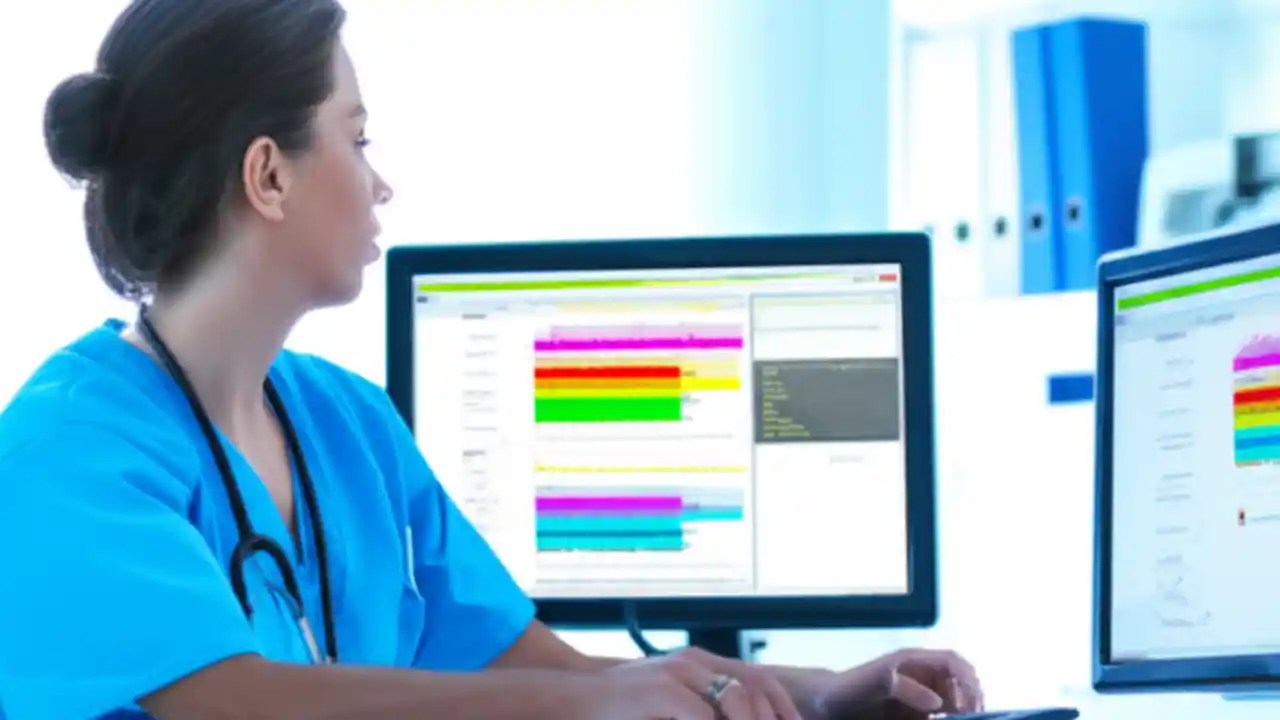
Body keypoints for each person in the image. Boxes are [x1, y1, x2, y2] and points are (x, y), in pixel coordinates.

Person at [0, 1, 986, 718]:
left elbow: (549, 672)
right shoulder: (66, 449)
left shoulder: (348, 428)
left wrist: (820, 696)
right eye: (356, 137)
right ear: (267, 175)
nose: (380, 183)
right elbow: (235, 701)